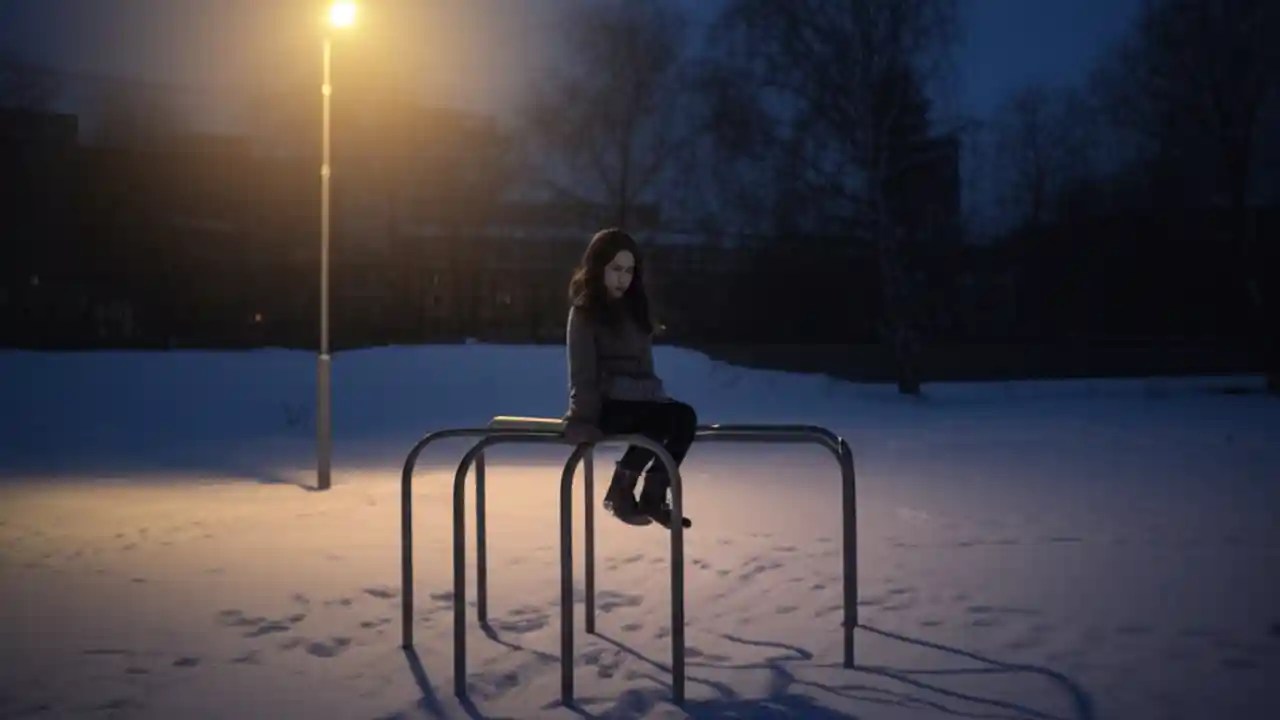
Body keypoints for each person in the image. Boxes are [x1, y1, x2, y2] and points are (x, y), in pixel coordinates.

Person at [561, 228, 696, 529]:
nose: (623, 278)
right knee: (657, 419)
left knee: (683, 417)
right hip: (607, 405)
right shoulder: (585, 312)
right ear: (599, 268)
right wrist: (581, 420)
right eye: (616, 269)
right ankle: (622, 489)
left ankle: (653, 494)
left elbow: (645, 366)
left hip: (639, 402)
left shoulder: (637, 310)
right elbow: (582, 371)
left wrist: (657, 397)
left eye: (629, 270)